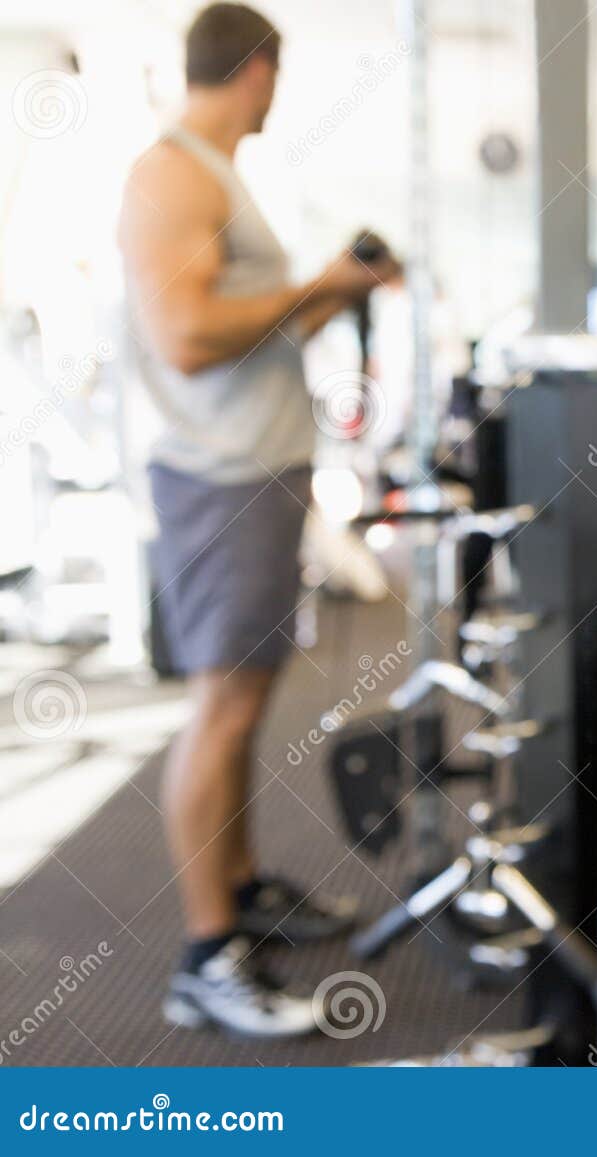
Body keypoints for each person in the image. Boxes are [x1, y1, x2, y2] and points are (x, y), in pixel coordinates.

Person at [118, 3, 399, 1038]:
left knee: (245, 700)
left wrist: (334, 289)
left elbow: (256, 329)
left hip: (258, 470)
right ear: (259, 71)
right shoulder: (173, 173)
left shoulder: (217, 175)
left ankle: (234, 892)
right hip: (217, 478)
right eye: (277, 78)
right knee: (221, 708)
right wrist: (315, 283)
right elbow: (188, 334)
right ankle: (204, 957)